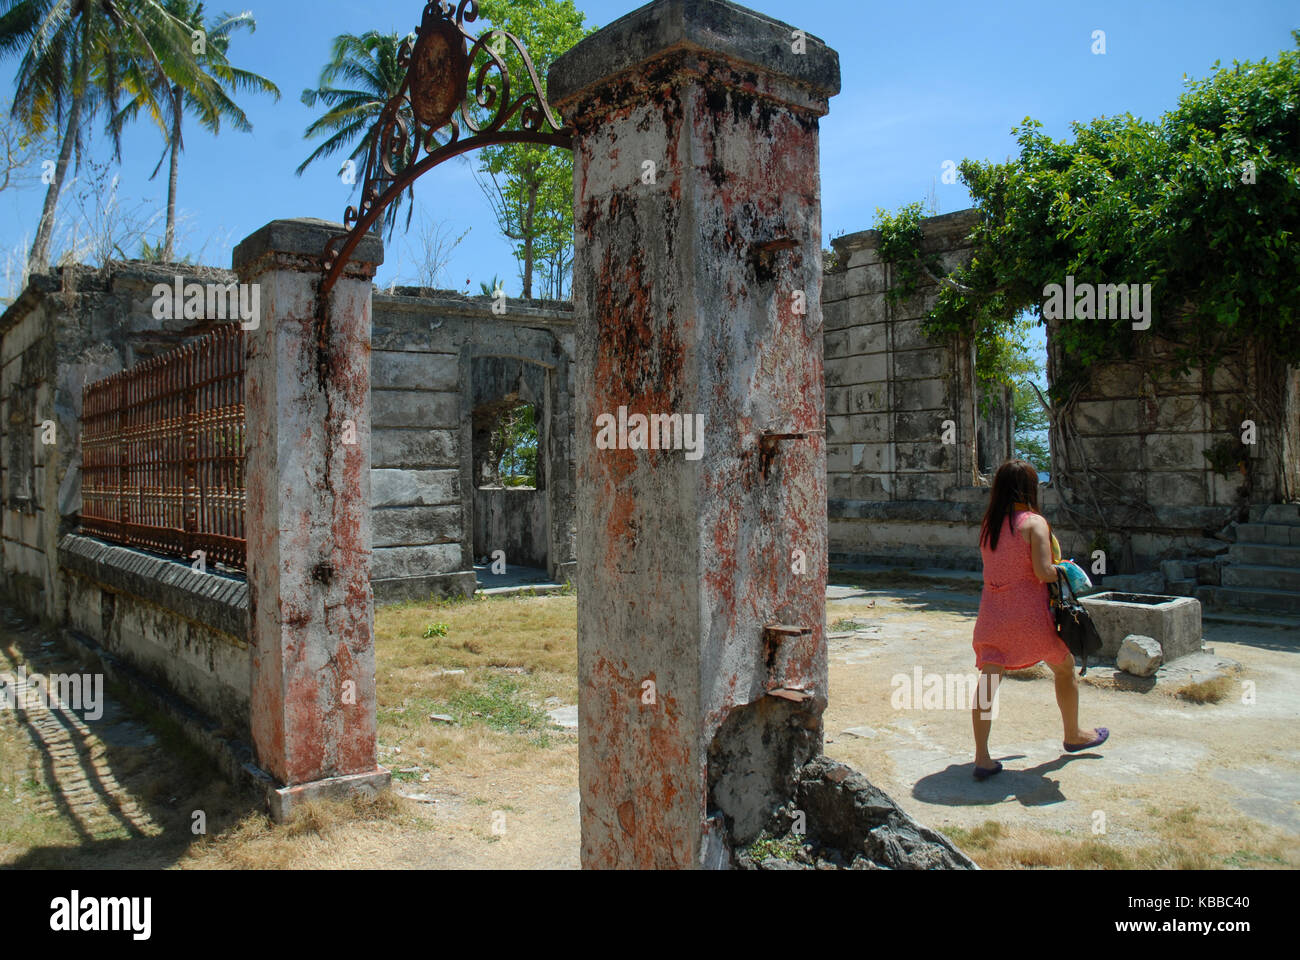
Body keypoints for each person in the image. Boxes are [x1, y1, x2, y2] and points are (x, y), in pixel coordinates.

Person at [970, 459, 1108, 780]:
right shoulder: (1034, 523)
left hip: (991, 617)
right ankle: (1073, 734)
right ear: (1030, 488)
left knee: (989, 681)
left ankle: (982, 757)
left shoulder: (989, 524)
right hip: (1029, 619)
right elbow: (1043, 572)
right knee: (1064, 666)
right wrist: (1067, 568)